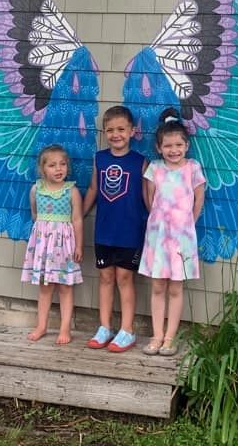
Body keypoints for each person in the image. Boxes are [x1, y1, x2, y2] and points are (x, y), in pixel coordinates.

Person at [139, 108, 206, 357]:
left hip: (182, 238)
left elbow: (199, 199)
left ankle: (170, 337)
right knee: (157, 287)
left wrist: (187, 224)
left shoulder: (193, 167)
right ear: (159, 148)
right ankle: (156, 335)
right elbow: (149, 198)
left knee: (176, 288)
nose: (174, 150)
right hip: (158, 237)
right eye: (168, 145)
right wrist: (160, 222)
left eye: (179, 145)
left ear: (187, 145)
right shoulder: (155, 168)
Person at [83, 106, 149, 352]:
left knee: (124, 278)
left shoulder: (140, 162)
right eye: (110, 130)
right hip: (104, 230)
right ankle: (104, 327)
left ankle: (127, 330)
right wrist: (79, 214)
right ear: (104, 132)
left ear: (132, 131)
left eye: (121, 129)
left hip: (130, 231)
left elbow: (148, 197)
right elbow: (93, 188)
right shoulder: (99, 158)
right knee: (105, 277)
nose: (115, 134)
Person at [21, 144, 84, 345]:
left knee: (65, 287)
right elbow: (35, 214)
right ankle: (41, 326)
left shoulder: (71, 191)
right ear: (42, 169)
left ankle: (65, 328)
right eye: (52, 165)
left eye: (62, 164)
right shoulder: (36, 189)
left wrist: (79, 246)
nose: (58, 169)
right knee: (45, 287)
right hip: (43, 246)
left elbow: (77, 220)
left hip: (63, 246)